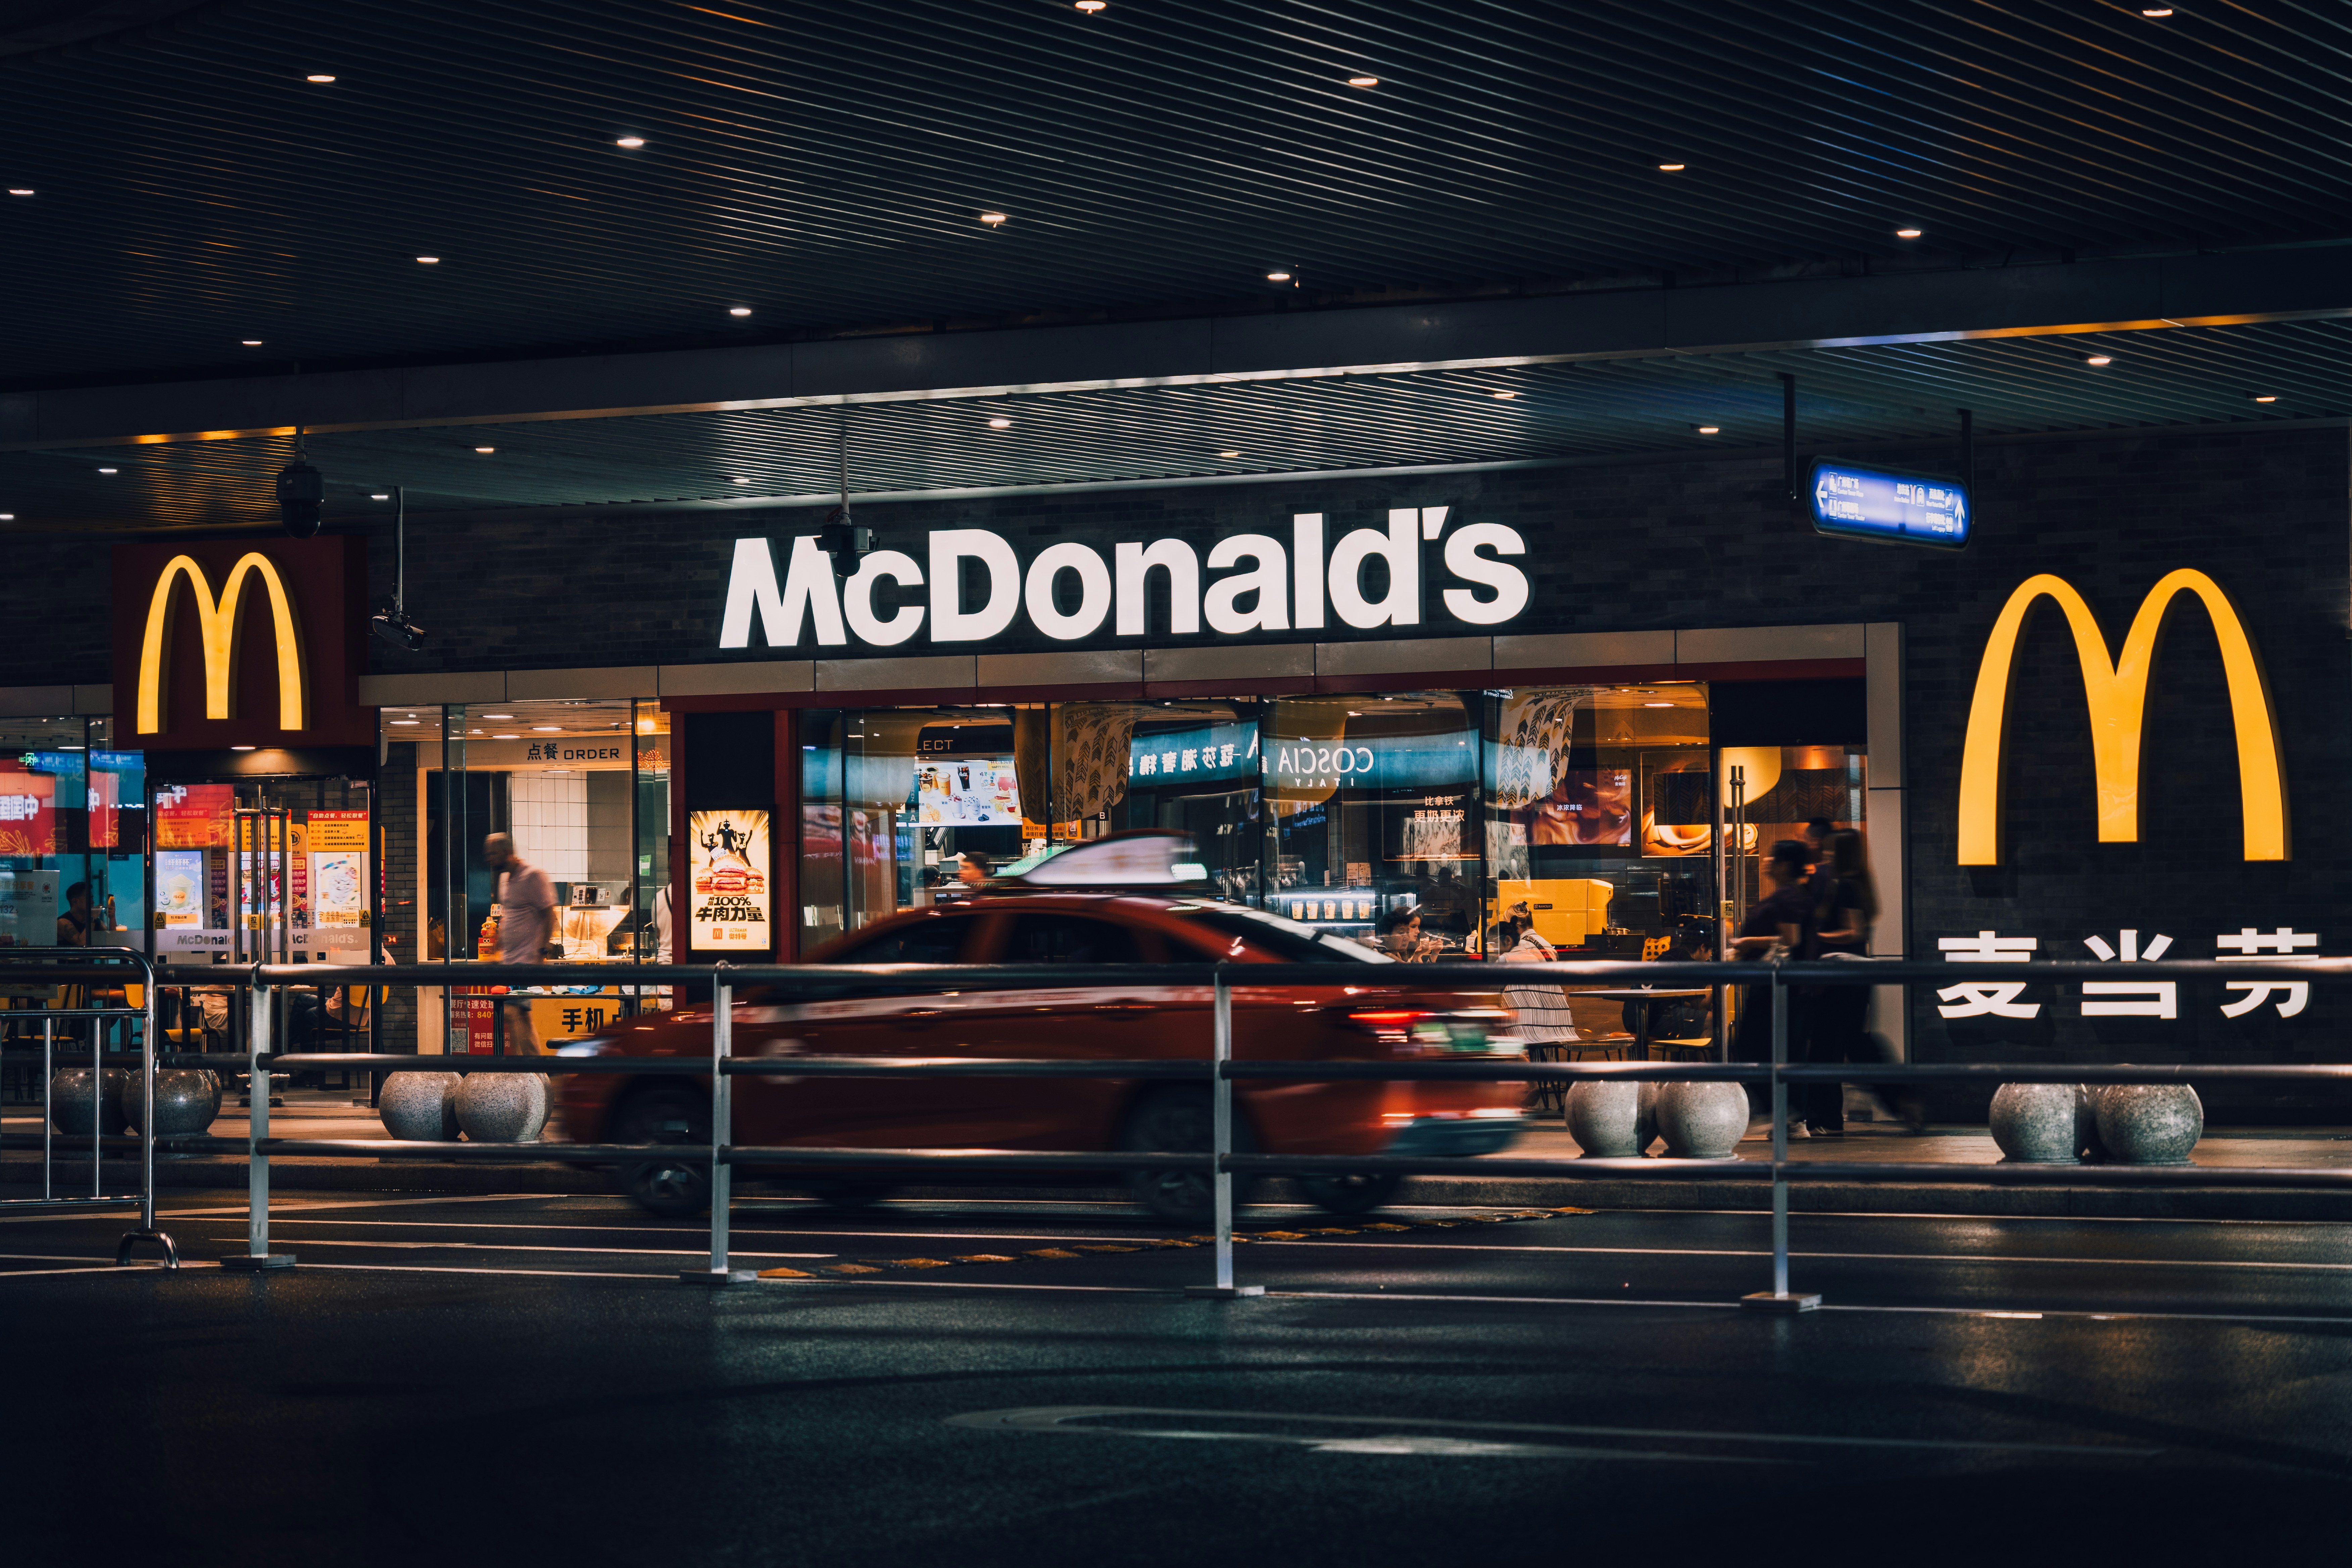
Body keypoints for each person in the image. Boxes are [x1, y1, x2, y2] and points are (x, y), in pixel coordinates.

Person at [1730, 840, 1819, 1138]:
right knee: (1783, 1050)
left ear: (1785, 865)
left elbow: (1790, 940)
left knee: (1752, 1047)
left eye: (1772, 857)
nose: (1766, 861)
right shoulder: (1791, 895)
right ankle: (1789, 1117)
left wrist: (1746, 943)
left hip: (1779, 988)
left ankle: (1781, 1111)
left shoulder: (1788, 897)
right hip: (1783, 987)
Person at [484, 833, 554, 1056]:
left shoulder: (533, 876)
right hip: (509, 960)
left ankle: (524, 1069)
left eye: (493, 854)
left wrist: (542, 952)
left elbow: (550, 915)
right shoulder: (505, 879)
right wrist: (496, 947)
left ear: (507, 852)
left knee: (514, 1012)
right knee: (518, 1015)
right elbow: (510, 917)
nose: (489, 859)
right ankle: (532, 1068)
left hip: (525, 959)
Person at [1375, 904, 1440, 962]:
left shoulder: (1402, 950)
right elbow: (1407, 968)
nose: (1418, 931)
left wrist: (1435, 953)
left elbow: (1421, 970)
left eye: (1407, 933)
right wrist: (1418, 955)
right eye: (1413, 926)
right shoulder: (1382, 952)